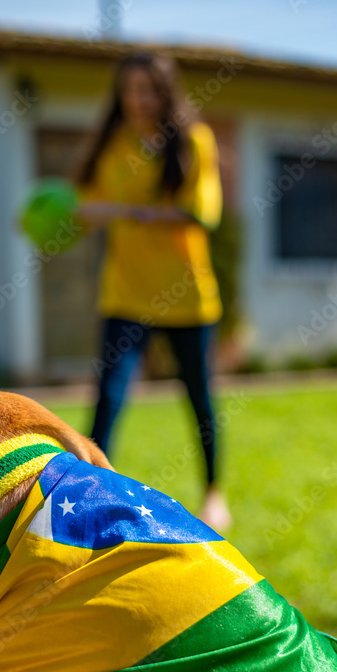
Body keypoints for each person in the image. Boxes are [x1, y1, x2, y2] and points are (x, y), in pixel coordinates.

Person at [75, 51, 231, 532]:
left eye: (147, 90)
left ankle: (213, 494)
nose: (138, 100)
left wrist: (129, 212)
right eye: (129, 91)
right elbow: (85, 208)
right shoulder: (112, 145)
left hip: (186, 293)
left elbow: (202, 213)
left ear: (166, 93)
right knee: (109, 396)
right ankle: (86, 494)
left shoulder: (193, 142)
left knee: (200, 397)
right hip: (126, 292)